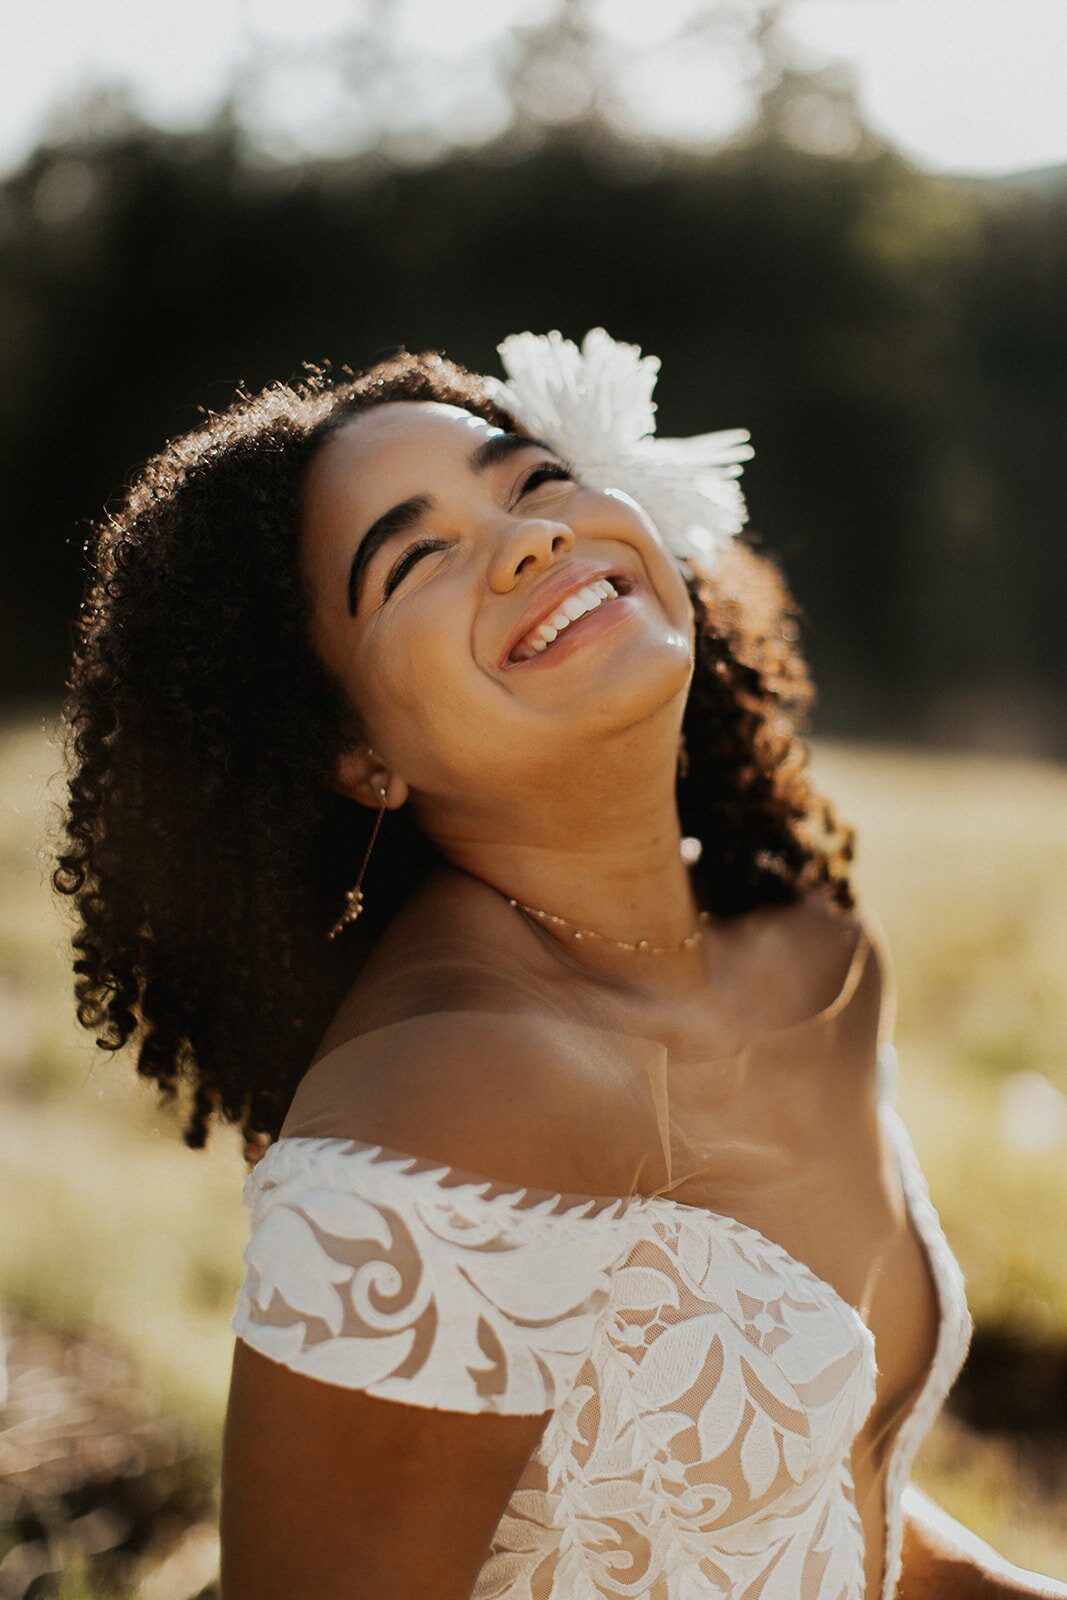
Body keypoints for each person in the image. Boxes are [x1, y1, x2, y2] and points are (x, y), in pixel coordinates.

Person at [54, 329, 1064, 1600]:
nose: (530, 539)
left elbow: (831, 1521)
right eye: (416, 557)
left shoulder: (816, 960)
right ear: (355, 753)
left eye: (531, 480)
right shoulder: (439, 1102)